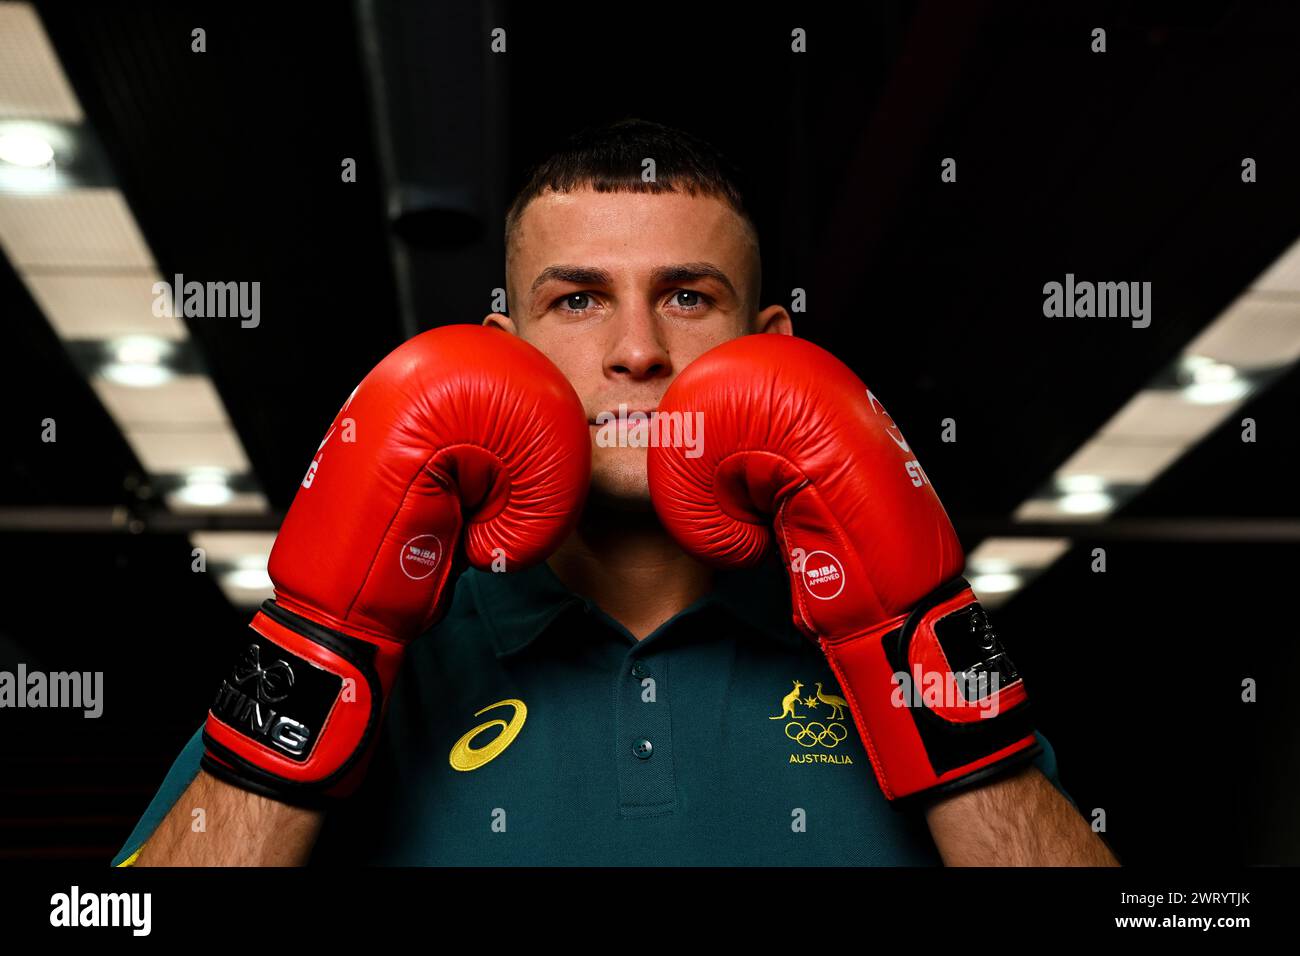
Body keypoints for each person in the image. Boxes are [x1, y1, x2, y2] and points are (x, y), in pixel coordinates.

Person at [114, 119, 1117, 866]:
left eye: (688, 296)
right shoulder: (386, 647)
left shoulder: (891, 633)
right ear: (500, 352)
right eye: (578, 299)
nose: (637, 351)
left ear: (771, 348)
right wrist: (322, 639)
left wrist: (916, 641)